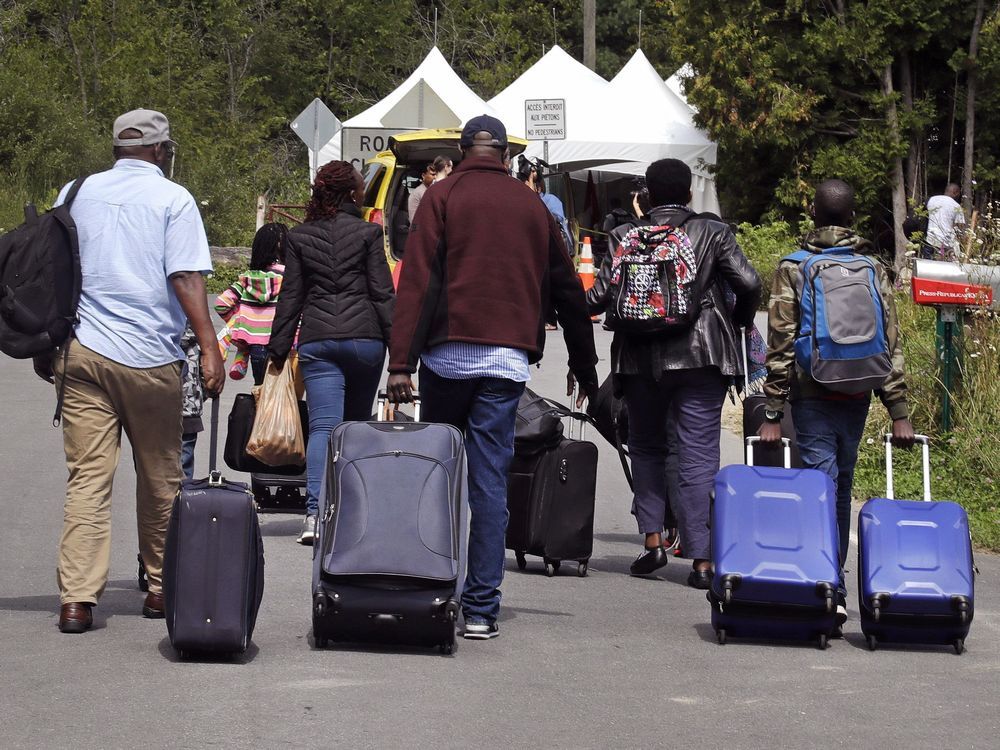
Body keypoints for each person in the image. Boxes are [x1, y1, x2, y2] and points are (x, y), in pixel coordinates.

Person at [386, 115, 599, 640]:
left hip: (446, 361)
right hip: (505, 363)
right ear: (506, 155)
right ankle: (481, 608)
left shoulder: (441, 197)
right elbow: (568, 289)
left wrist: (399, 364)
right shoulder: (532, 205)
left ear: (461, 151)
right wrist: (585, 365)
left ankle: (436, 589)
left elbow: (419, 282)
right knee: (489, 482)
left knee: (441, 477)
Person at [36, 109, 223, 634]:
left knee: (87, 479)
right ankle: (162, 589)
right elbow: (185, 275)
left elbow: (55, 269)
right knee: (161, 476)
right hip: (147, 357)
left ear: (117, 147)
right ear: (162, 150)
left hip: (81, 355)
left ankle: (76, 600)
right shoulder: (173, 198)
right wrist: (209, 346)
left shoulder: (75, 192)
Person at [586, 158, 761, 588]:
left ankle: (652, 543)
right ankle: (702, 559)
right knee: (699, 455)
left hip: (639, 361)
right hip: (702, 358)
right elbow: (750, 284)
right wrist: (737, 321)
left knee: (645, 446)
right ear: (688, 195)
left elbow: (599, 298)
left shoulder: (624, 235)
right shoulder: (712, 232)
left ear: (645, 198)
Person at [760, 178, 915, 632]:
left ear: (813, 216)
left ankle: (830, 588)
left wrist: (772, 411)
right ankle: (834, 584)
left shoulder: (794, 266)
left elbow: (781, 342)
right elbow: (890, 341)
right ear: (851, 218)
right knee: (840, 485)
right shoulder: (872, 267)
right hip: (858, 390)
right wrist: (898, 408)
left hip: (813, 392)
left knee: (820, 485)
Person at [269, 161, 394, 546]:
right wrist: (402, 354)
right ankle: (350, 514)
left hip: (319, 341)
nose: (362, 193)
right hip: (365, 341)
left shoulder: (300, 237)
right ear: (350, 194)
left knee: (323, 428)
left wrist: (276, 349)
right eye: (359, 188)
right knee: (354, 429)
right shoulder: (369, 233)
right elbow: (381, 293)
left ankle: (314, 515)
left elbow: (291, 296)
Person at [215, 222, 287, 384]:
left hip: (255, 348)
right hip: (283, 345)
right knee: (282, 398)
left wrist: (244, 318)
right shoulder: (290, 277)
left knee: (261, 392)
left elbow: (221, 304)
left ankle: (241, 361)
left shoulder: (248, 279)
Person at [925, 183, 966, 259]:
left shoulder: (931, 199)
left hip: (930, 240)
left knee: (926, 266)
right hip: (946, 242)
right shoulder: (956, 206)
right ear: (955, 193)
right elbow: (960, 227)